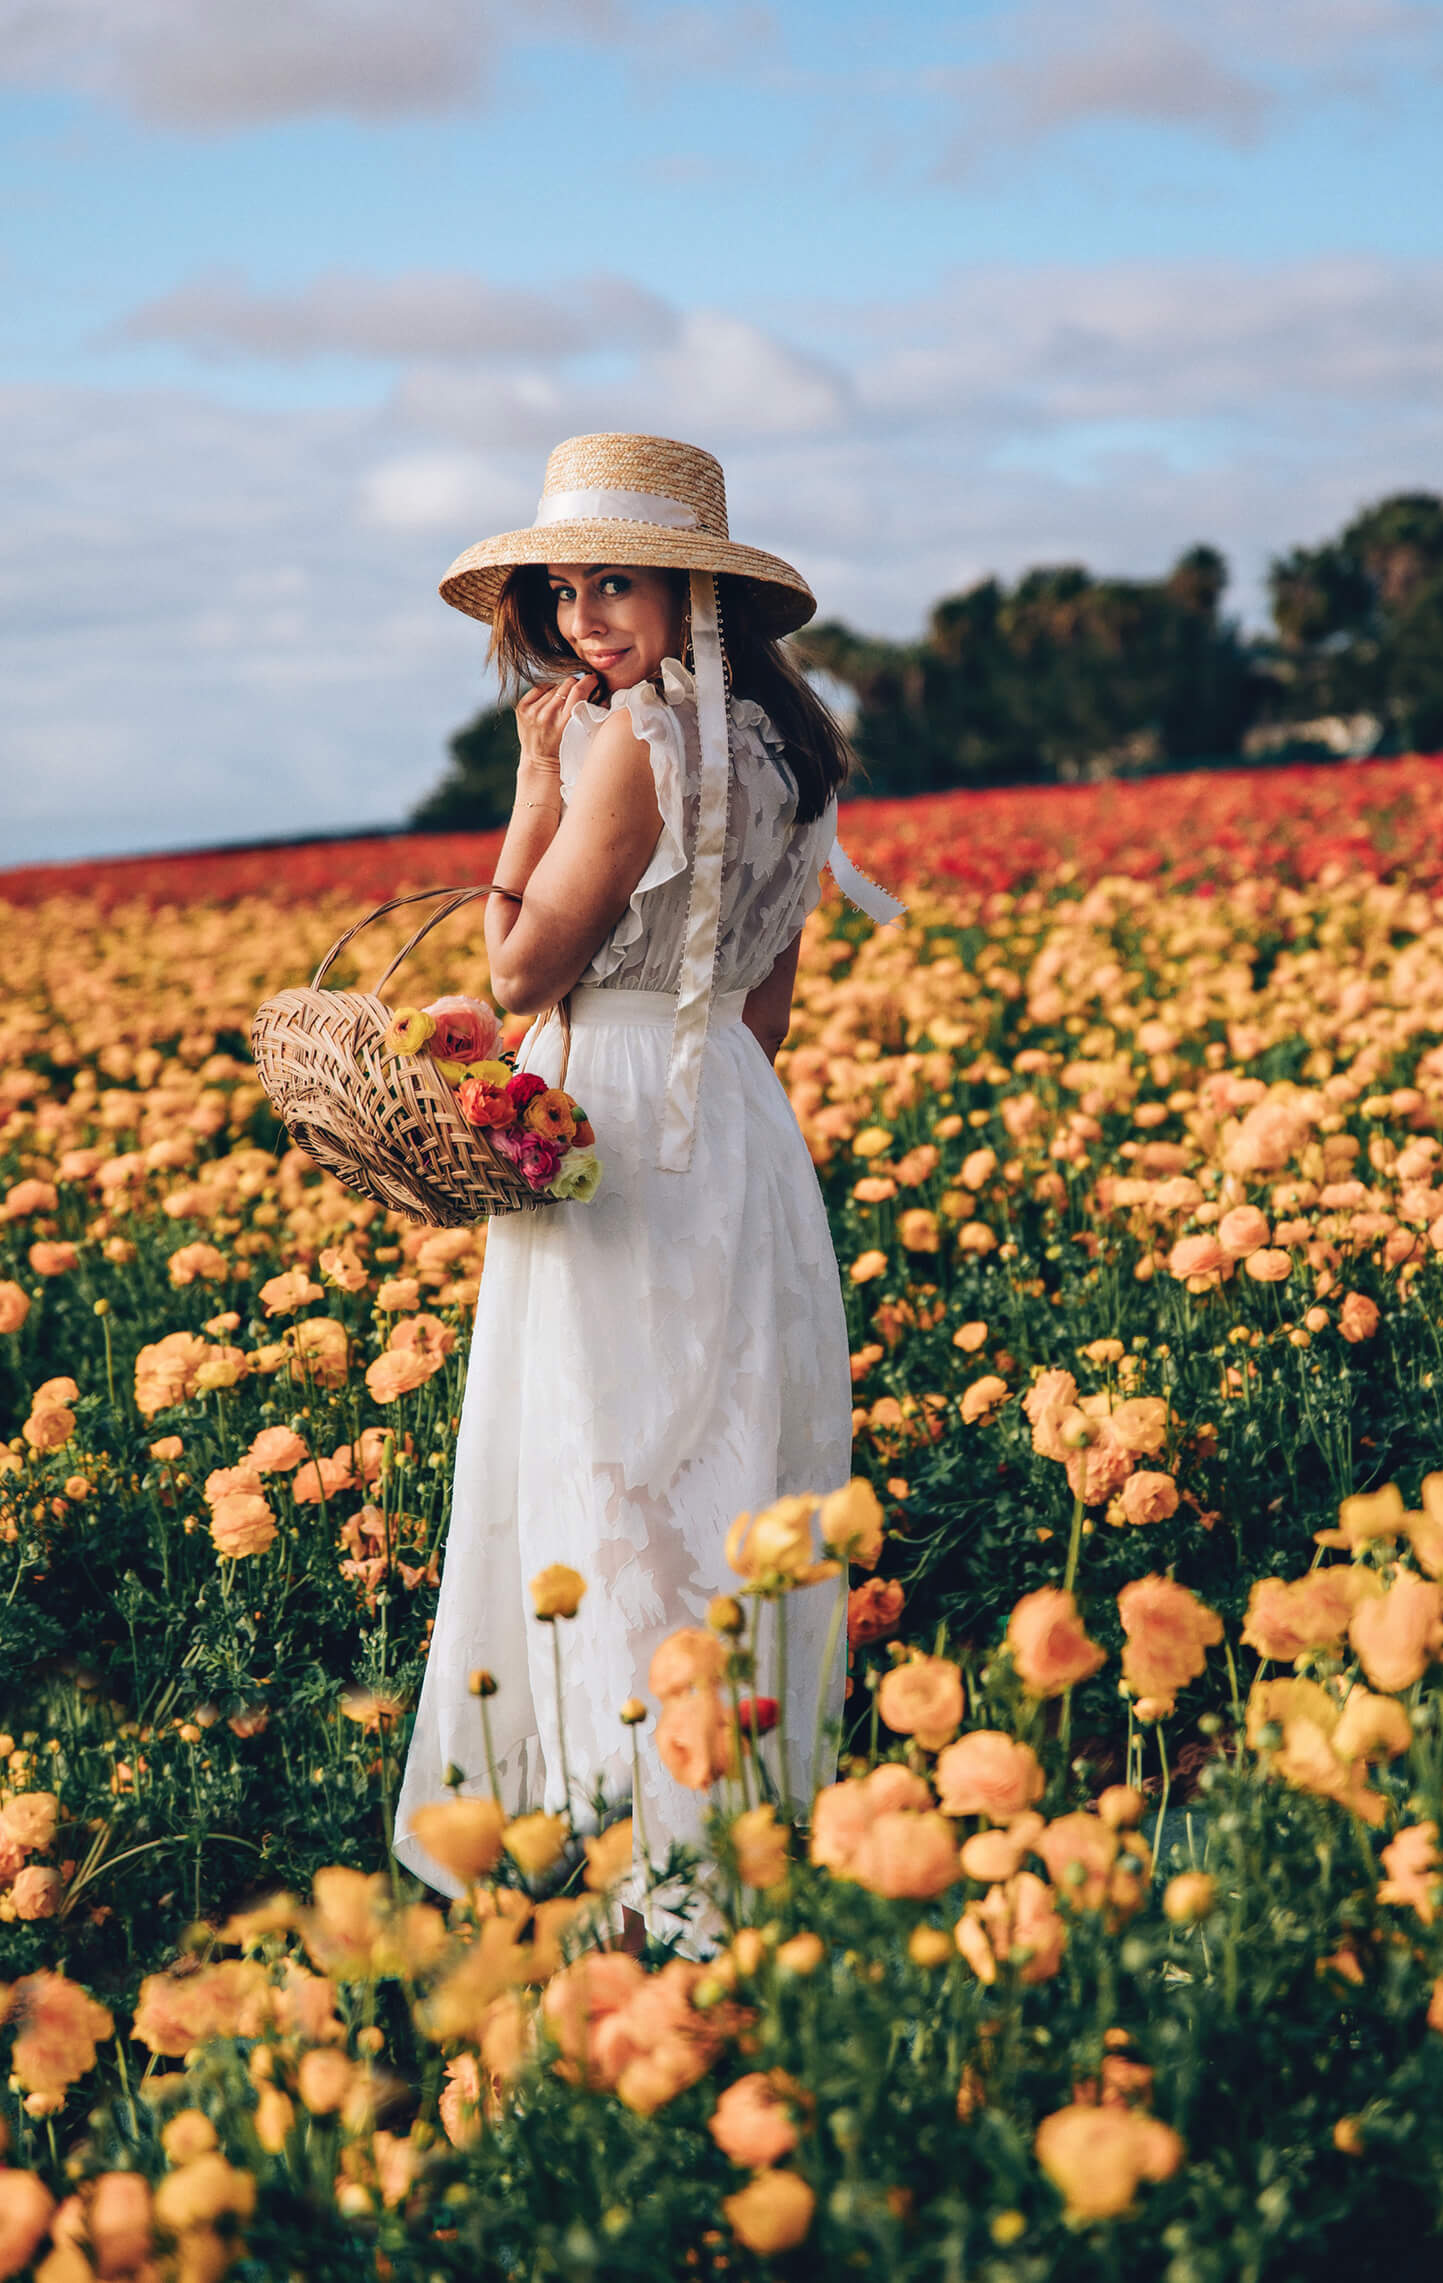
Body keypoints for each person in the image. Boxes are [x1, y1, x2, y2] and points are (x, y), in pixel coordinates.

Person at [392, 432, 901, 1941]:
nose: (588, 619)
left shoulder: (630, 743)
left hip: (616, 1127)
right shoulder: (791, 756)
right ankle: (728, 1824)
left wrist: (535, 780)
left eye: (619, 584)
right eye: (566, 590)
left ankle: (636, 1863)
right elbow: (761, 1017)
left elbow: (519, 959)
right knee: (731, 1466)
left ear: (696, 589)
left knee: (603, 1470)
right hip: (736, 1131)